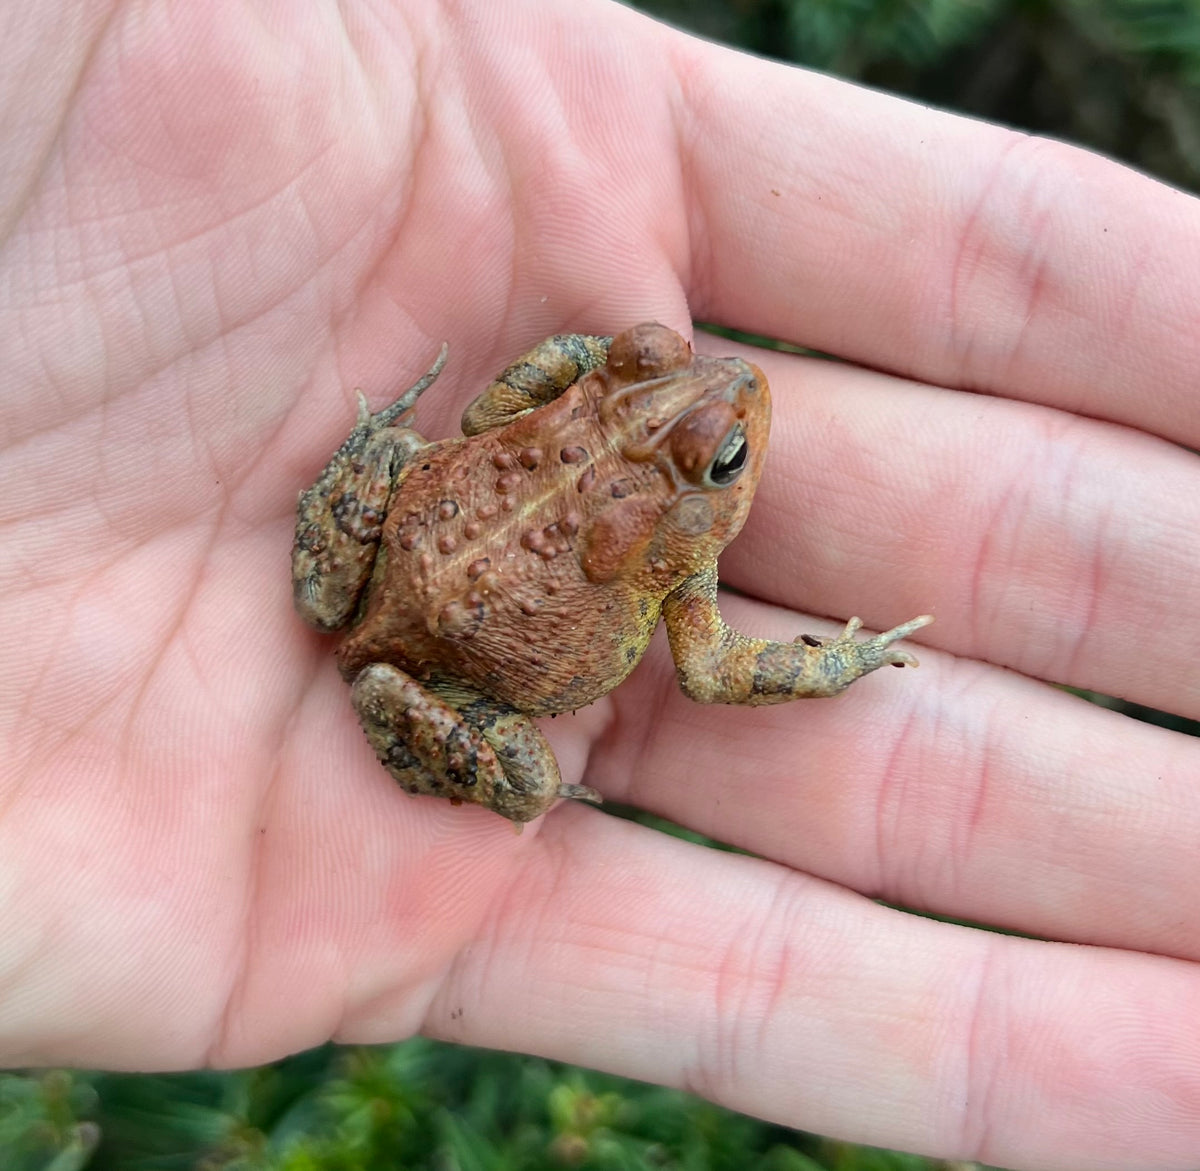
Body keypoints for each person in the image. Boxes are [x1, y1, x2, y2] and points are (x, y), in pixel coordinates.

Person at [2, 1, 1198, 1166]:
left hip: (374, 560)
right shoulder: (677, 577)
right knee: (524, 770)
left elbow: (486, 409)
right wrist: (839, 662)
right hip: (420, 660)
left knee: (400, 470)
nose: (727, 394)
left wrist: (576, 378)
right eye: (654, 367)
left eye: (717, 444)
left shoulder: (637, 521)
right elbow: (719, 673)